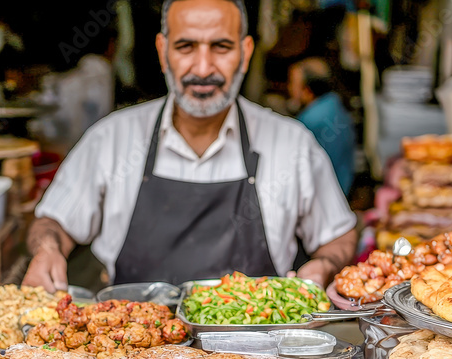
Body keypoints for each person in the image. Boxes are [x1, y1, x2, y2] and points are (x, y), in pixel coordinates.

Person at [23, 0, 357, 290]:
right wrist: (48, 250)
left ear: (245, 53)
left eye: (221, 47)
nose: (202, 68)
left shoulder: (292, 144)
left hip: (260, 351)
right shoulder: (111, 139)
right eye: (186, 47)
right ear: (162, 52)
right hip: (132, 353)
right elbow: (53, 223)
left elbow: (338, 236)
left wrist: (324, 266)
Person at [288, 57, 356, 196]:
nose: (289, 88)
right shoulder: (334, 105)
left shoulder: (310, 121)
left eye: (292, 84)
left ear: (307, 91)